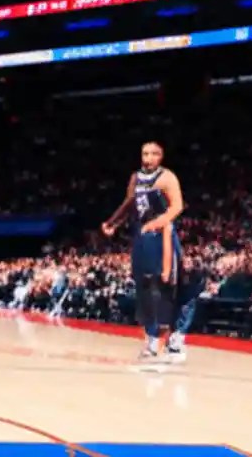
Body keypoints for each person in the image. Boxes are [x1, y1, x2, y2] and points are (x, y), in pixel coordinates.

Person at [102, 141, 186, 361]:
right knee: (143, 285)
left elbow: (177, 206)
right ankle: (150, 337)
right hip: (142, 236)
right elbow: (129, 202)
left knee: (167, 284)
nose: (147, 158)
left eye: (152, 154)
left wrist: (157, 223)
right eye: (144, 153)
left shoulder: (167, 177)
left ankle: (172, 338)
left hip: (162, 233)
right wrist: (113, 222)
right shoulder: (135, 178)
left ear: (160, 156)